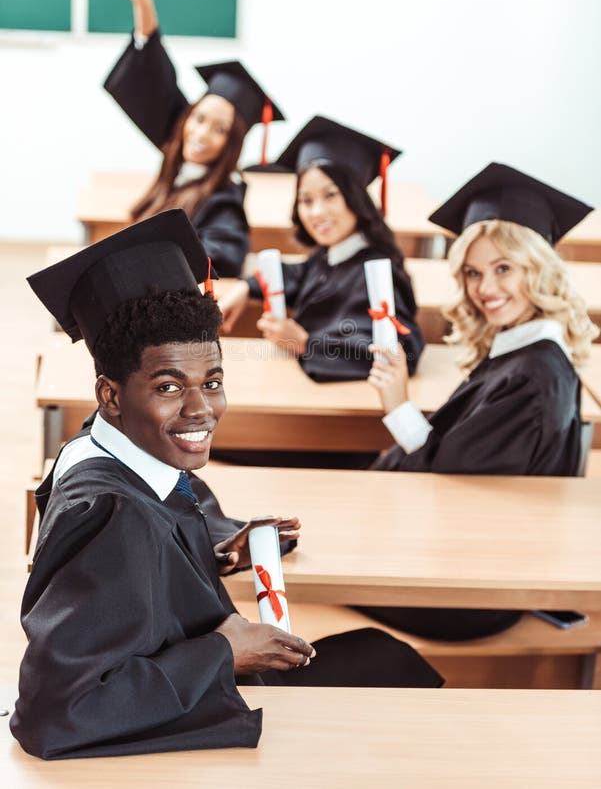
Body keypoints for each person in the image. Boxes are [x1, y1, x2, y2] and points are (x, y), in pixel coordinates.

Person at [11, 210, 442, 760]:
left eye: (212, 381)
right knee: (397, 689)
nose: (201, 410)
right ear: (111, 395)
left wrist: (214, 551)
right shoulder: (109, 516)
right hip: (192, 719)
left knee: (384, 658)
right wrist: (223, 652)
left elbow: (140, 562)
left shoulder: (96, 446)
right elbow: (53, 713)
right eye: (168, 385)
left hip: (194, 684)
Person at [360, 161, 598, 640]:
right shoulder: (525, 350)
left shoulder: (531, 380)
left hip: (468, 589)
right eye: (473, 272)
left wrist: (399, 405)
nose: (485, 289)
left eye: (503, 269)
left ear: (540, 268)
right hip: (468, 552)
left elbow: (454, 486)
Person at [103, 0, 284, 277]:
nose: (201, 134)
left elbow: (223, 258)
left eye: (219, 129)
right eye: (199, 119)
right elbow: (154, 75)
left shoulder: (224, 199)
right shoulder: (179, 162)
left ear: (232, 143)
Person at [220, 116, 424, 382]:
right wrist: (245, 287)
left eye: (330, 195)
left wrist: (305, 344)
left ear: (355, 197)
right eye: (306, 200)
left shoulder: (377, 273)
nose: (317, 212)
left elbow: (404, 352)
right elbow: (297, 274)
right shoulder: (331, 255)